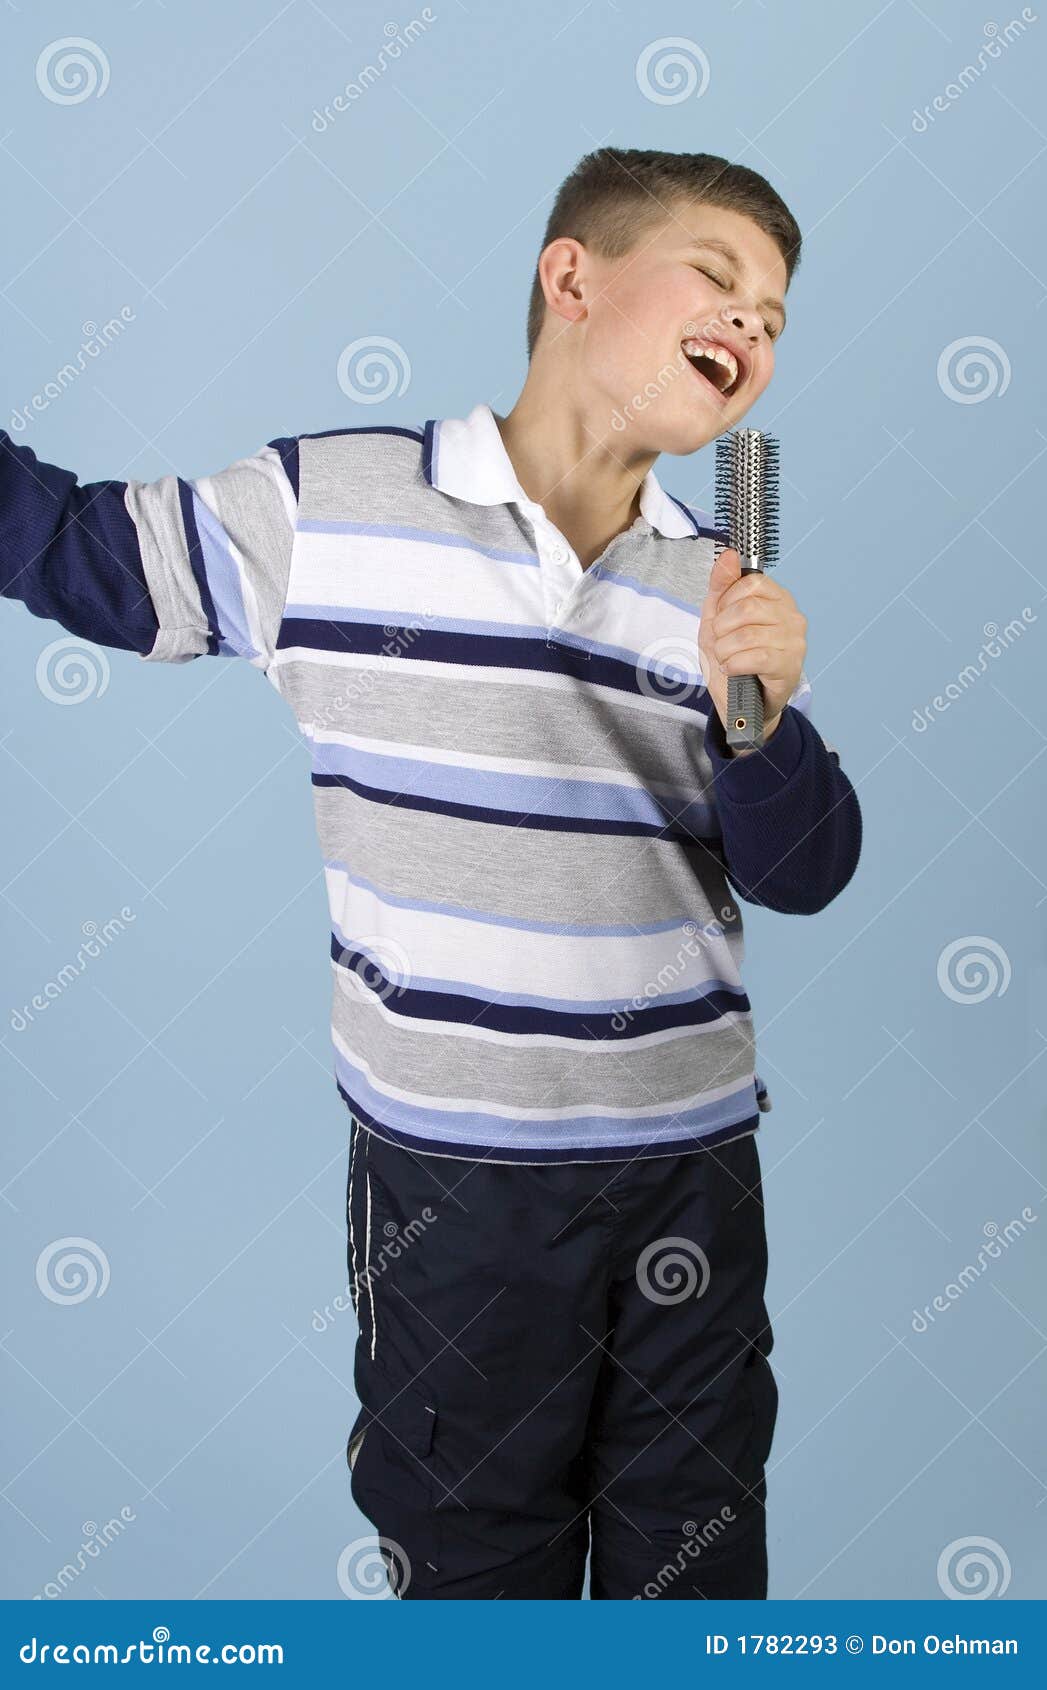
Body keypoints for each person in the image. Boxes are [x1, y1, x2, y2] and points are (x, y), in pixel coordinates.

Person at [1, 146, 862, 1599]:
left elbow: (806, 873)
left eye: (777, 317)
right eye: (719, 281)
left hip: (690, 1182)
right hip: (461, 1191)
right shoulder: (331, 508)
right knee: (475, 1562)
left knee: (696, 1572)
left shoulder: (713, 586)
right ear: (572, 277)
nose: (753, 328)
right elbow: (85, 554)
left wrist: (761, 716)